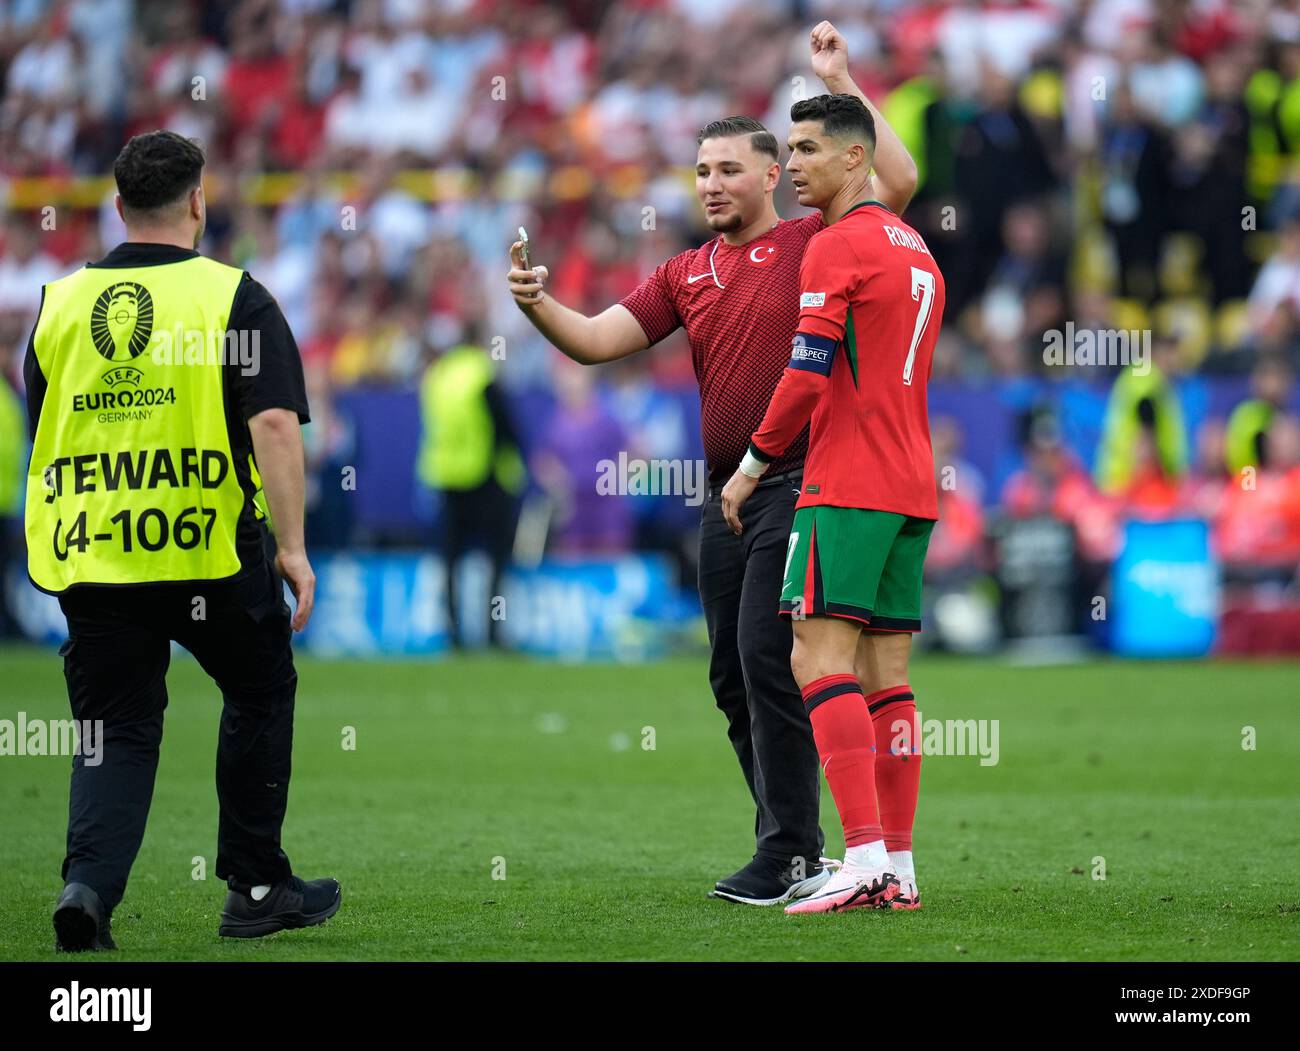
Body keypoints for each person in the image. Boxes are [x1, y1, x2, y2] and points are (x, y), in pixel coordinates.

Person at [507, 23, 918, 906]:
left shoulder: (819, 239)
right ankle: (792, 841)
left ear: (776, 175)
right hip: (722, 495)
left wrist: (843, 81)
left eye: (730, 169)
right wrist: (540, 306)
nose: (712, 185)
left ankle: (796, 851)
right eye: (701, 172)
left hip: (801, 479)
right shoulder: (685, 272)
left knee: (770, 659)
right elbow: (593, 343)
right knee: (732, 674)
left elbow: (899, 180)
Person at [23, 130, 339, 949]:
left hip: (95, 554)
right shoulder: (235, 296)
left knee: (115, 728)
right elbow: (271, 421)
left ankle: (87, 888)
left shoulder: (56, 305)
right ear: (199, 201)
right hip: (206, 549)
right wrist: (293, 547)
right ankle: (258, 883)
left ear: (118, 207)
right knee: (261, 688)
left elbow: (44, 426)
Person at [721, 92, 945, 914]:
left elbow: (807, 374)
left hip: (846, 481)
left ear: (855, 157)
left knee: (815, 659)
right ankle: (899, 863)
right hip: (912, 484)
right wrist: (845, 75)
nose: (797, 164)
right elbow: (906, 172)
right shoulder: (911, 243)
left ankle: (859, 858)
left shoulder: (835, 247)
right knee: (887, 679)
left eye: (809, 149)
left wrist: (751, 464)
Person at [416, 336, 525, 648]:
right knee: (495, 561)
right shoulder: (482, 375)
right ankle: (492, 632)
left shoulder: (437, 378)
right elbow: (505, 427)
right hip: (485, 478)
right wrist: (517, 464)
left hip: (447, 480)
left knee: (451, 562)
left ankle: (453, 633)